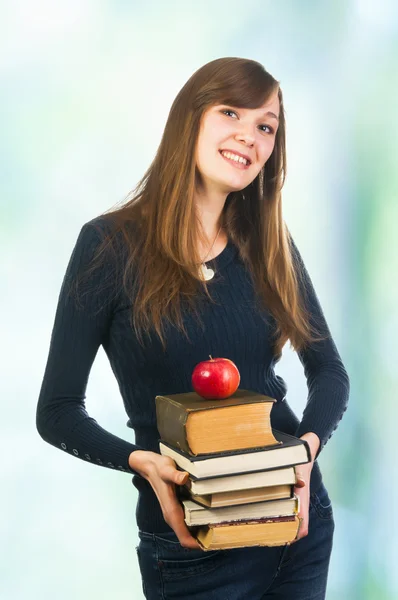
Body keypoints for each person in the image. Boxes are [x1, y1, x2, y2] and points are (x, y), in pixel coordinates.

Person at [36, 57, 350, 599]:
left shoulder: (268, 243)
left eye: (266, 127)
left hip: (296, 524)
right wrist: (141, 462)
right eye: (231, 111)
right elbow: (57, 410)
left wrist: (304, 453)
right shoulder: (107, 247)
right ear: (191, 119)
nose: (248, 136)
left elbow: (328, 371)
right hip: (192, 545)